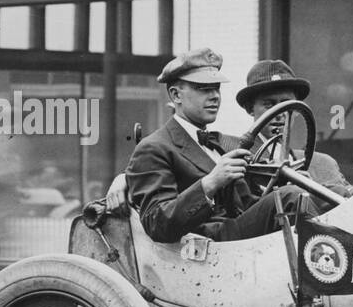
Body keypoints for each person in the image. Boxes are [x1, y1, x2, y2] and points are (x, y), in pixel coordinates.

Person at [124, 47, 322, 244]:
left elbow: (248, 204)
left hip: (239, 241)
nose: (215, 96)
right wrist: (209, 184)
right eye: (203, 89)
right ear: (176, 95)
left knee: (325, 194)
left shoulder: (223, 143)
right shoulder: (154, 148)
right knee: (292, 197)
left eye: (216, 88)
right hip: (208, 248)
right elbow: (156, 223)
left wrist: (282, 187)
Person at [236, 59, 353, 199]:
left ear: (297, 109)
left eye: (286, 104)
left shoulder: (323, 164)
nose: (280, 114)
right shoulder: (239, 162)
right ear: (250, 108)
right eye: (269, 105)